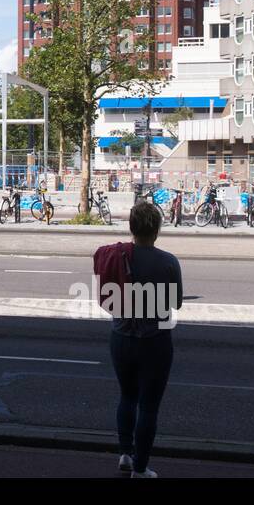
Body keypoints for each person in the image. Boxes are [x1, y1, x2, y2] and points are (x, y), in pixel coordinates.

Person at [105, 201, 183, 478]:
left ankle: (125, 454)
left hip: (121, 337)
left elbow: (108, 299)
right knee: (149, 405)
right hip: (155, 341)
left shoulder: (117, 256)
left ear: (131, 227)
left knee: (127, 396)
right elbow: (176, 303)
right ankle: (140, 468)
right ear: (157, 229)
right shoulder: (168, 261)